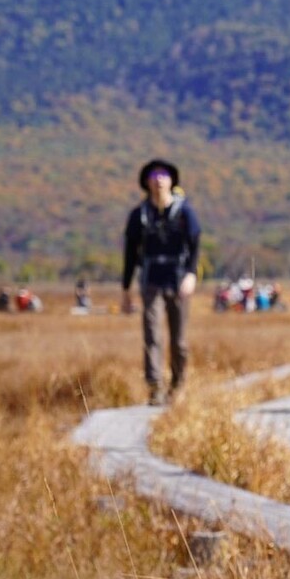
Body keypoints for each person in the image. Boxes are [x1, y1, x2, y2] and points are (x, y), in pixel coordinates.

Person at [121, 158, 202, 405]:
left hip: (178, 279)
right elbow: (130, 253)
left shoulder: (184, 212)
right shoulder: (139, 215)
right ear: (146, 182)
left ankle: (178, 385)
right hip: (151, 279)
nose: (158, 179)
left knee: (179, 339)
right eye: (154, 175)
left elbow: (196, 243)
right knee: (152, 335)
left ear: (171, 181)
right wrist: (125, 289)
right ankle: (155, 387)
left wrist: (191, 274)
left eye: (163, 175)